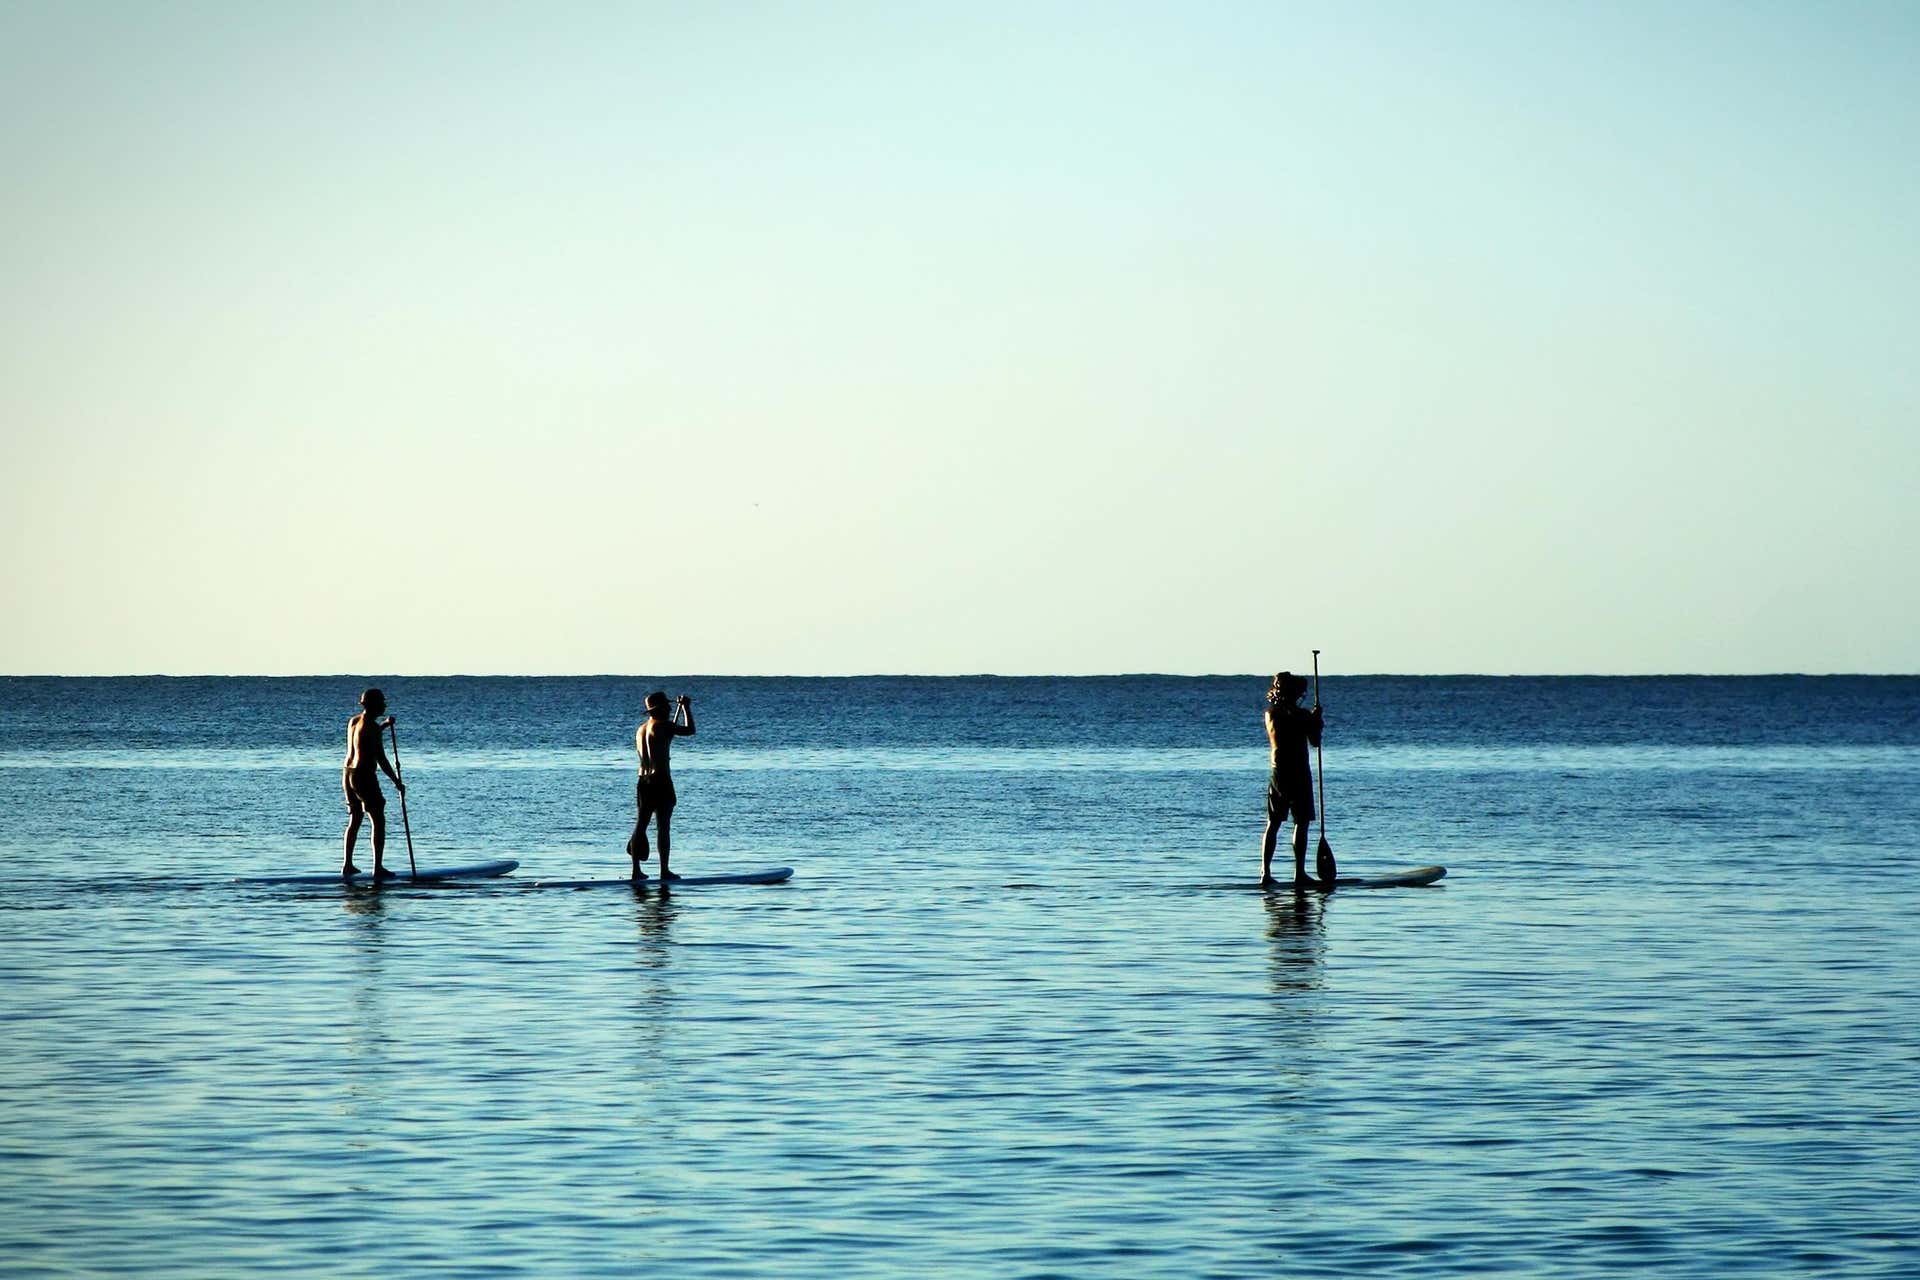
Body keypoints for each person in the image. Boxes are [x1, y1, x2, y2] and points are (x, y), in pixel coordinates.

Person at [1259, 671, 1324, 889]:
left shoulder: (1270, 714)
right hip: (1296, 773)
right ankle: (1299, 873)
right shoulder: (1300, 716)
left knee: (1274, 823)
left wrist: (1314, 720)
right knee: (1301, 822)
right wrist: (1316, 722)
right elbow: (1315, 742)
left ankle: (1265, 872)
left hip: (1278, 772)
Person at [628, 690, 695, 881]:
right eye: (668, 706)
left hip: (643, 781)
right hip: (661, 781)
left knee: (641, 825)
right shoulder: (664, 725)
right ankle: (664, 870)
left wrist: (679, 709)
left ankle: (636, 871)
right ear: (661, 709)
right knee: (663, 826)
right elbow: (690, 730)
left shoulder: (641, 729)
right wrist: (686, 708)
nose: (669, 708)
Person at [342, 687, 404, 881]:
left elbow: (364, 740)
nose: (384, 705)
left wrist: (384, 726)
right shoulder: (371, 728)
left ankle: (347, 864)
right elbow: (382, 760)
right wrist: (397, 782)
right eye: (382, 703)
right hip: (363, 776)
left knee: (355, 819)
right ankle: (378, 868)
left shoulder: (354, 722)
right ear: (374, 705)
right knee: (378, 819)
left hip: (347, 773)